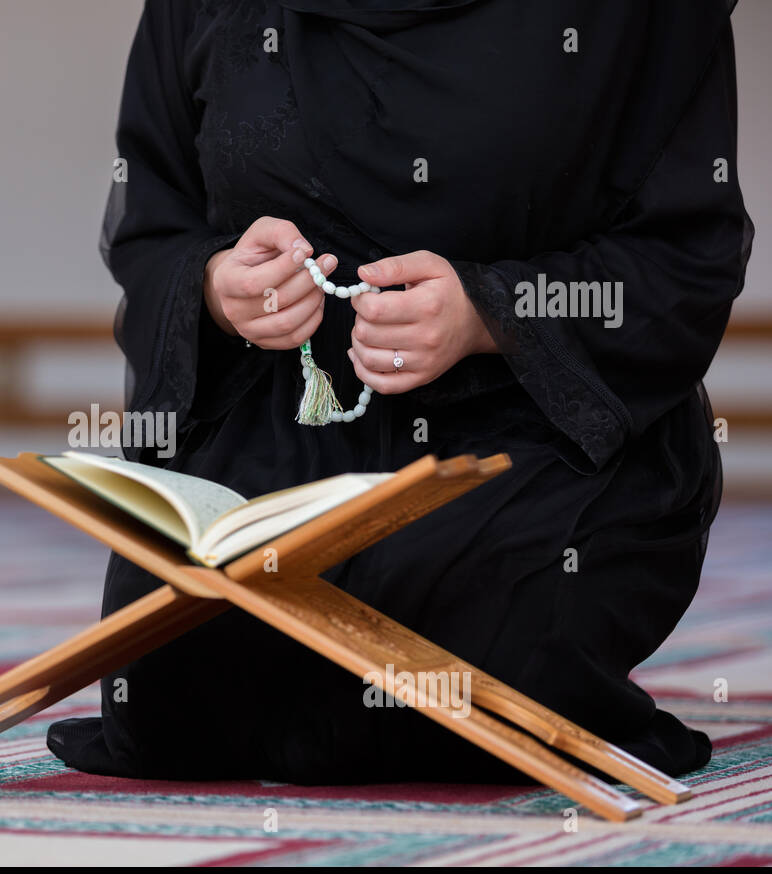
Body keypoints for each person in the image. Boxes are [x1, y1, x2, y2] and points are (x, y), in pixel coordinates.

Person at [47, 0, 754, 786]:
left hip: (527, 437)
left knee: (481, 649)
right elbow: (154, 225)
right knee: (168, 668)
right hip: (280, 432)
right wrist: (220, 288)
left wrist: (491, 312)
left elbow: (685, 258)